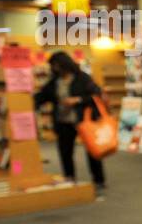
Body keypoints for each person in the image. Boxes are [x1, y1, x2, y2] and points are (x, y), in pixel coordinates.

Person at [34, 51, 106, 192]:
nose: (55, 69)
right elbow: (42, 96)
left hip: (83, 120)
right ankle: (69, 178)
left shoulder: (82, 78)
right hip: (63, 121)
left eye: (56, 65)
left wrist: (77, 100)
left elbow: (96, 94)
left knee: (92, 151)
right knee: (65, 151)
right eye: (53, 66)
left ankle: (99, 180)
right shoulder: (54, 82)